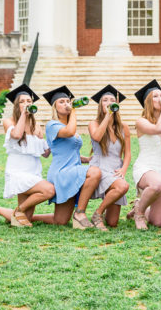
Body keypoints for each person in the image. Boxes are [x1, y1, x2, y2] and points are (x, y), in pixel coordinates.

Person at [0, 84, 55, 227]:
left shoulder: (35, 125)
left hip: (33, 172)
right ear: (16, 105)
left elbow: (45, 154)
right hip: (18, 172)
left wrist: (54, 139)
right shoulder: (9, 122)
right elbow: (17, 135)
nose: (26, 104)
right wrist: (24, 115)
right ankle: (18, 211)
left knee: (27, 217)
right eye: (22, 101)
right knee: (49, 190)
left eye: (29, 101)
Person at [39, 85, 102, 230]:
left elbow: (68, 151)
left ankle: (16, 214)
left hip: (73, 170)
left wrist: (87, 159)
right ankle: (80, 213)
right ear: (54, 106)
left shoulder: (69, 123)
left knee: (60, 221)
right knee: (95, 172)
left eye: (68, 101)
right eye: (62, 102)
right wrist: (73, 110)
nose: (66, 104)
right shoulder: (52, 125)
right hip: (61, 172)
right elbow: (69, 132)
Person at [129, 80, 161, 230]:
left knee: (157, 222)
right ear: (148, 101)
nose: (160, 99)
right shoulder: (141, 122)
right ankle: (139, 213)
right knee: (157, 184)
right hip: (146, 167)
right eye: (155, 96)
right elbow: (158, 128)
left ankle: (139, 203)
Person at [86, 85, 131, 230]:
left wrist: (123, 169)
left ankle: (103, 212)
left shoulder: (123, 127)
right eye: (105, 100)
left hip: (115, 169)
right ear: (101, 105)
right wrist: (108, 116)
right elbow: (97, 137)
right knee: (123, 186)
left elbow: (128, 153)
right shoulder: (94, 124)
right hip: (99, 167)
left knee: (112, 222)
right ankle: (97, 214)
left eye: (112, 100)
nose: (109, 102)